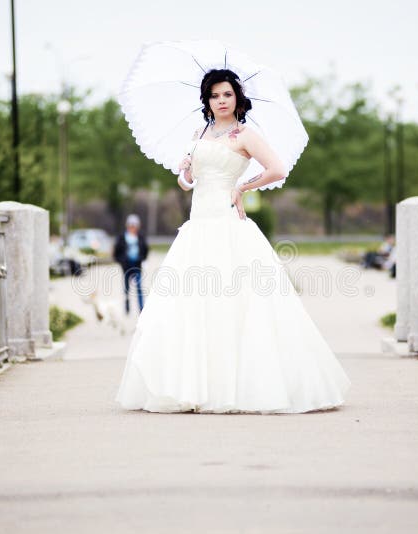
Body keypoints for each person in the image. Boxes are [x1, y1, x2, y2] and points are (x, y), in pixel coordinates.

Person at [115, 69, 351, 414]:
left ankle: (239, 387)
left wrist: (242, 187)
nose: (220, 101)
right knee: (192, 305)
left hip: (228, 225)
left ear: (237, 98)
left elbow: (278, 169)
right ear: (206, 100)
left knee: (235, 303)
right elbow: (188, 183)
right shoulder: (200, 132)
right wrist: (186, 169)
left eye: (226, 94)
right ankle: (192, 386)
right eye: (214, 96)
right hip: (197, 227)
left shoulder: (246, 134)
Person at [113, 214, 149, 314]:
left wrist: (141, 258)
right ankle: (127, 307)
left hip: (137, 265)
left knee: (139, 288)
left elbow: (145, 250)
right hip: (126, 266)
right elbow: (116, 252)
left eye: (134, 225)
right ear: (128, 226)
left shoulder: (140, 237)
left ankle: (141, 308)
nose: (133, 227)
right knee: (126, 289)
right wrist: (122, 261)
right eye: (131, 225)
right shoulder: (122, 237)